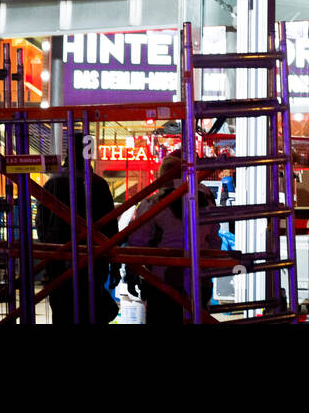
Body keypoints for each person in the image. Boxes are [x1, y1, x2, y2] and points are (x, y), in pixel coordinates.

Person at [124, 153, 219, 324]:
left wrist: (131, 273)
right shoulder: (206, 202)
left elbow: (137, 243)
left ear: (163, 176)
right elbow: (214, 241)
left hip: (162, 283)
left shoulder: (152, 204)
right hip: (199, 281)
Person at [35, 132, 120, 324]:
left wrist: (48, 252)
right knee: (89, 308)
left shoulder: (53, 183)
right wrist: (114, 263)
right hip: (92, 259)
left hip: (59, 259)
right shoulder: (98, 184)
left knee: (63, 311)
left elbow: (41, 223)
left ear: (68, 152)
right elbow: (110, 226)